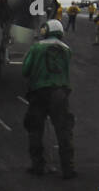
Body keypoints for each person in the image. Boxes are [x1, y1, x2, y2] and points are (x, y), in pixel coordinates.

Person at [22, 18, 75, 178]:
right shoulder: (67, 49)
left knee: (35, 129)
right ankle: (68, 168)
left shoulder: (36, 47)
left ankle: (38, 166)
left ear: (46, 30)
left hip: (39, 93)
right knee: (64, 130)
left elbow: (25, 71)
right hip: (60, 93)